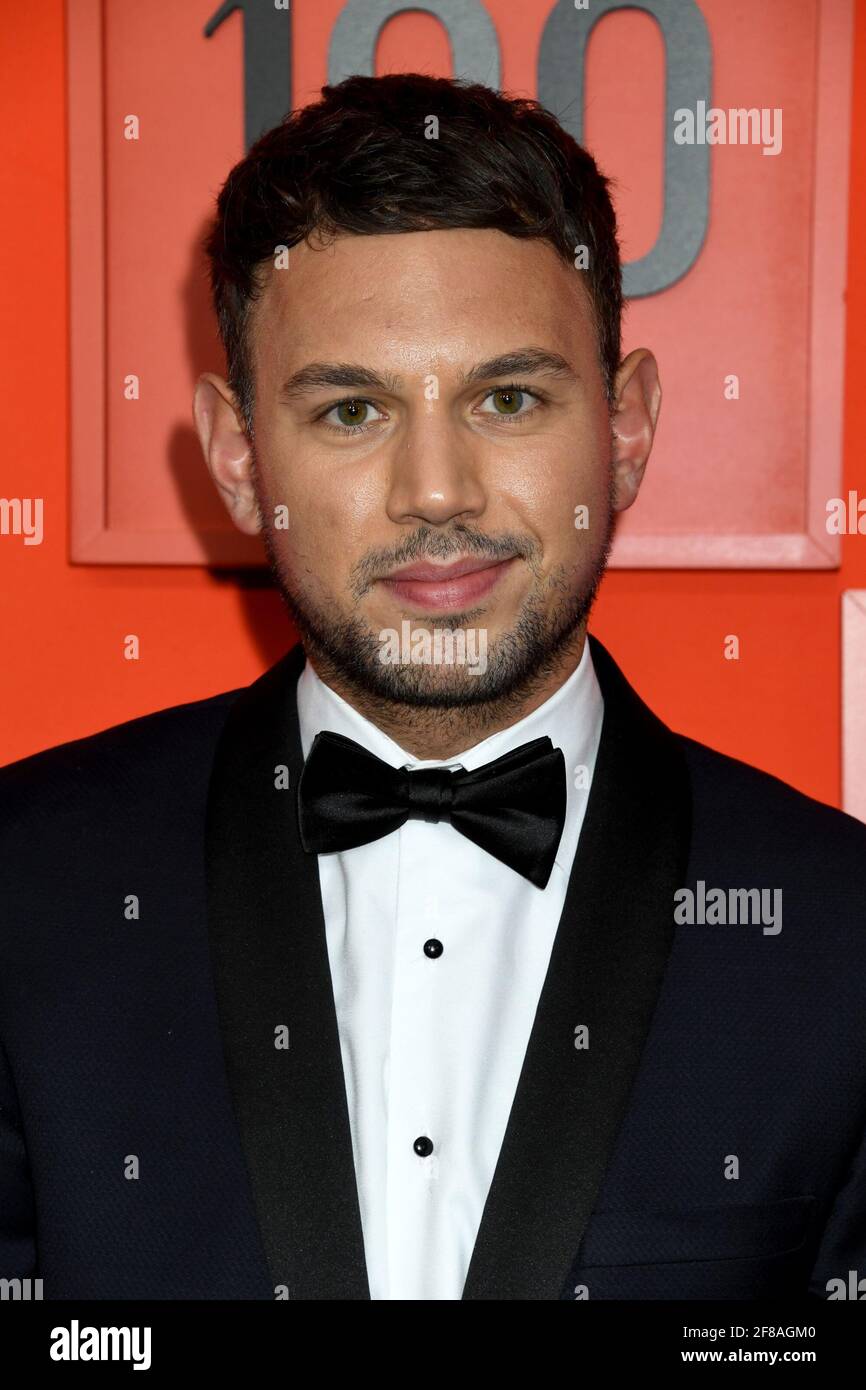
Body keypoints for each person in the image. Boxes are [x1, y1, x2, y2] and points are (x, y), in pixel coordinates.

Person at [1, 73, 864, 1302]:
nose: (438, 491)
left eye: (505, 398)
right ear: (241, 460)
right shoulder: (29, 890)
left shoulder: (835, 934)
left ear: (622, 427)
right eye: (351, 409)